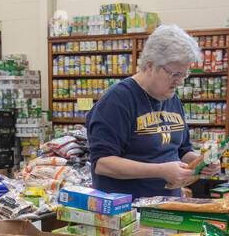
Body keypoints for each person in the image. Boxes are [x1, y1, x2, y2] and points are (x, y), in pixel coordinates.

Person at [86, 24, 218, 198]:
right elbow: (103, 163)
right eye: (174, 74)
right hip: (127, 212)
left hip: (168, 207)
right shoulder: (117, 101)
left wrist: (202, 162)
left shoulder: (172, 98)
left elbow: (182, 150)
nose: (180, 82)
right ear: (149, 66)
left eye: (184, 74)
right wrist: (161, 170)